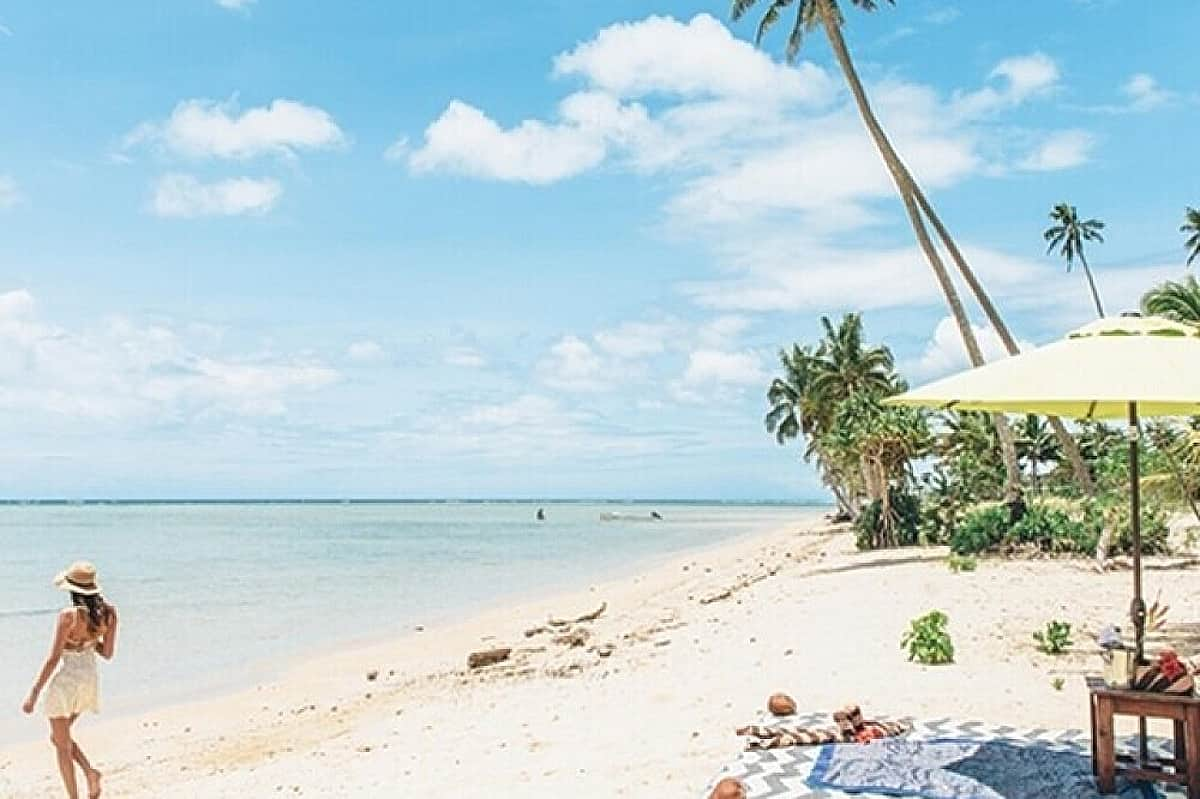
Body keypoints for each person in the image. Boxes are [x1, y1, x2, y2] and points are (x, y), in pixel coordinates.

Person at [22, 561, 118, 799]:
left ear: (72, 590)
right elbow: (107, 654)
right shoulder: (109, 614)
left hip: (66, 685)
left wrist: (34, 693)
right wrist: (90, 640)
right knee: (59, 738)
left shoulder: (68, 617)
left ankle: (76, 793)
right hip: (88, 682)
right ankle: (91, 773)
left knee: (61, 746)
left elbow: (53, 659)